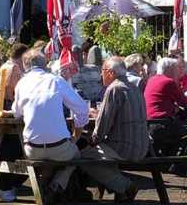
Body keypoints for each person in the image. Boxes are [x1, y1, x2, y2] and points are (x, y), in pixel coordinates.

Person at [14, 49, 137, 202]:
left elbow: (17, 113)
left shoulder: (21, 83)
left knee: (69, 154)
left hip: (31, 149)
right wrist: (77, 133)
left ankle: (55, 188)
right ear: (45, 63)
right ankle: (57, 186)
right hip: (59, 148)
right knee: (77, 155)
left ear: (25, 65)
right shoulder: (55, 80)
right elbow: (82, 108)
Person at [86, 57, 148, 200]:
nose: (101, 75)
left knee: (83, 156)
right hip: (143, 146)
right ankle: (119, 190)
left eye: (102, 71)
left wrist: (92, 140)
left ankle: (125, 186)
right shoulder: (134, 87)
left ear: (110, 73)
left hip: (124, 147)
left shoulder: (114, 88)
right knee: (99, 153)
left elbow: (102, 127)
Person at [145, 57, 187, 156]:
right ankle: (178, 164)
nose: (177, 72)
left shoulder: (151, 80)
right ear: (170, 69)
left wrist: (173, 107)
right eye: (176, 69)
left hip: (148, 123)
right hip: (161, 124)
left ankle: (169, 159)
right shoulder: (168, 82)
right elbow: (184, 102)